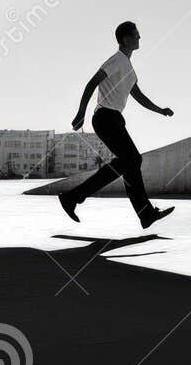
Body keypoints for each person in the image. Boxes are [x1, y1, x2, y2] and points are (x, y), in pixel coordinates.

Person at [58, 21, 175, 228]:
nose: (140, 38)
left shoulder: (128, 67)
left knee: (131, 162)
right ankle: (75, 197)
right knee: (132, 159)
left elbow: (139, 96)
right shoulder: (116, 60)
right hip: (105, 117)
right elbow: (92, 83)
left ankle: (145, 213)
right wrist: (81, 112)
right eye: (136, 35)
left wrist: (160, 110)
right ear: (125, 39)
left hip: (114, 119)